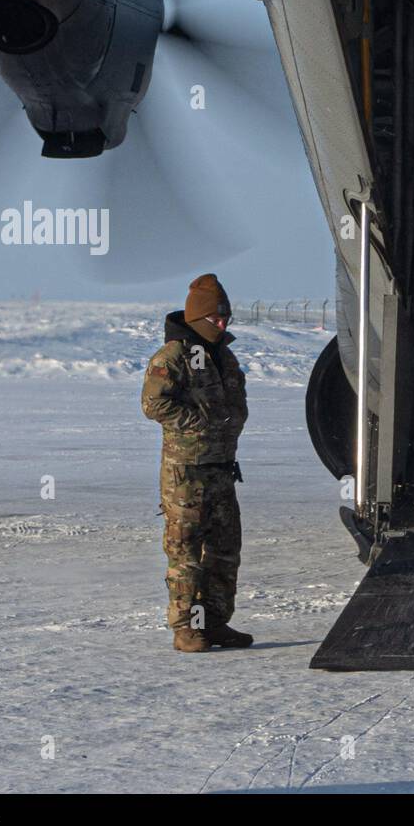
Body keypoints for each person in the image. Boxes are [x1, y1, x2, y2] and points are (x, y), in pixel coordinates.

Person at [141, 274, 252, 653]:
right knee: (185, 551)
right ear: (197, 317)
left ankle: (214, 622)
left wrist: (231, 422)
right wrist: (199, 424)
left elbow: (235, 399)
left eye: (225, 318)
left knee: (224, 550)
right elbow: (153, 404)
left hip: (221, 469)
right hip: (186, 474)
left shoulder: (224, 355)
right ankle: (186, 628)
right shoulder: (172, 356)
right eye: (215, 319)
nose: (221, 325)